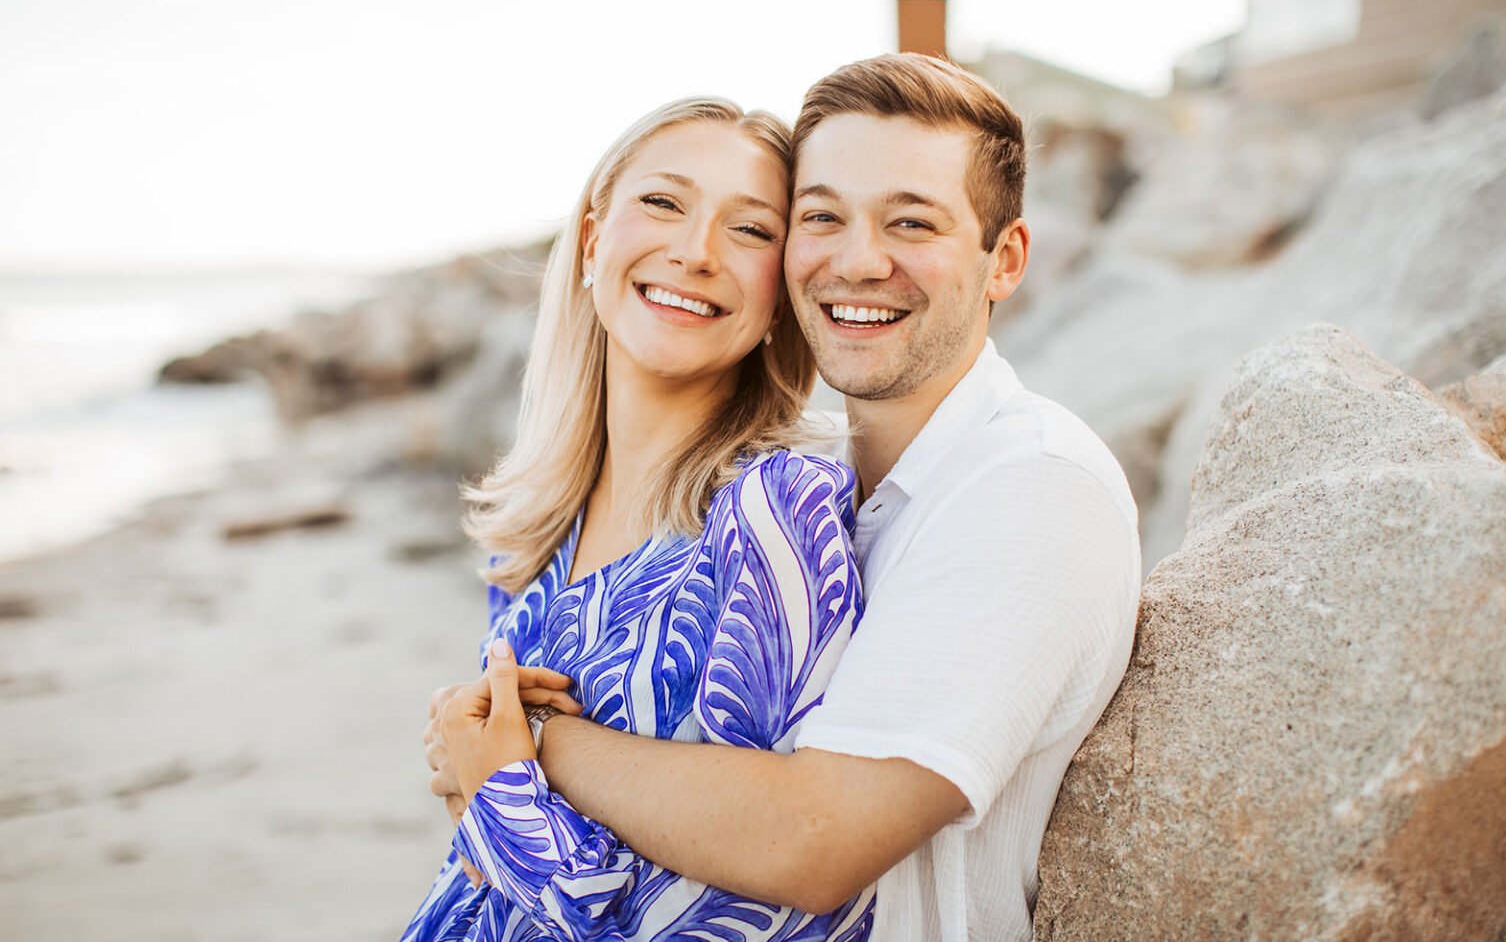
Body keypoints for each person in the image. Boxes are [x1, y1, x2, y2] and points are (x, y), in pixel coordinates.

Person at [429, 54, 1142, 941]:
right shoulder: (560, 520)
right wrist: (492, 785)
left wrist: (519, 748)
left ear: (1006, 261)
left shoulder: (1025, 483)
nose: (860, 259)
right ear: (586, 239)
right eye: (821, 218)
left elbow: (810, 846)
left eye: (911, 222)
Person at [402, 98, 877, 941]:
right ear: (592, 242)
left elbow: (782, 901)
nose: (694, 252)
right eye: (664, 202)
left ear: (782, 294)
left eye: (751, 230)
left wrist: (501, 787)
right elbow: (486, 863)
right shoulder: (535, 530)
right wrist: (471, 773)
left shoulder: (776, 510)